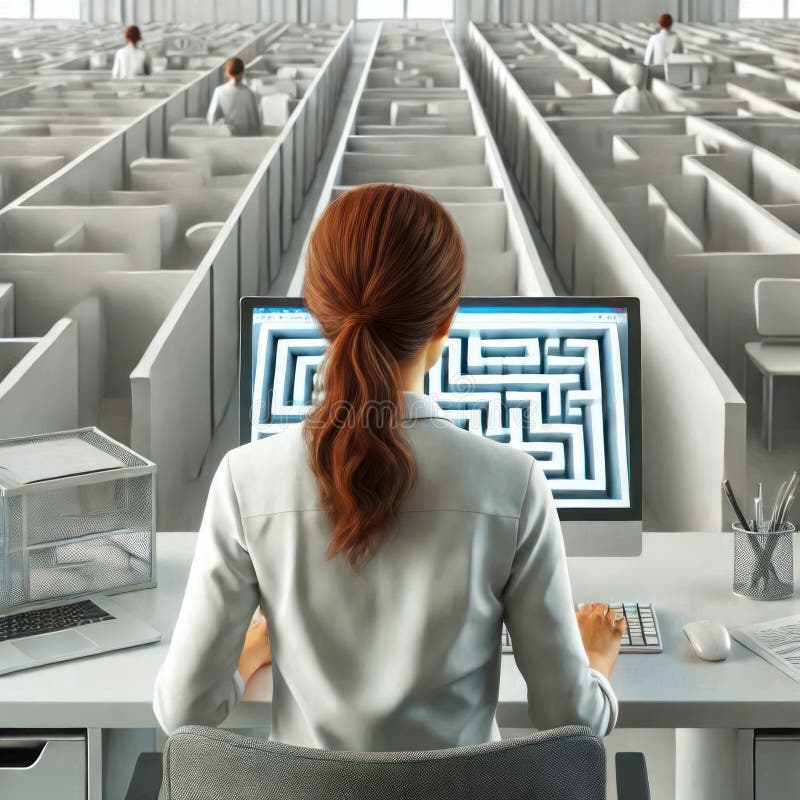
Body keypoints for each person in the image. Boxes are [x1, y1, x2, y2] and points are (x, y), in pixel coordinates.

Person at [153, 184, 625, 750]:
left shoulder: (243, 479)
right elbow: (569, 721)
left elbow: (183, 710)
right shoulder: (514, 483)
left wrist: (253, 648)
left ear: (316, 314)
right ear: (446, 321)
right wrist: (594, 659)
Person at [206, 57, 262, 137]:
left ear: (227, 72)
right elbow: (255, 124)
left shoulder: (219, 91)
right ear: (242, 72)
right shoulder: (249, 93)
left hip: (228, 137)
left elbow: (211, 119)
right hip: (246, 139)